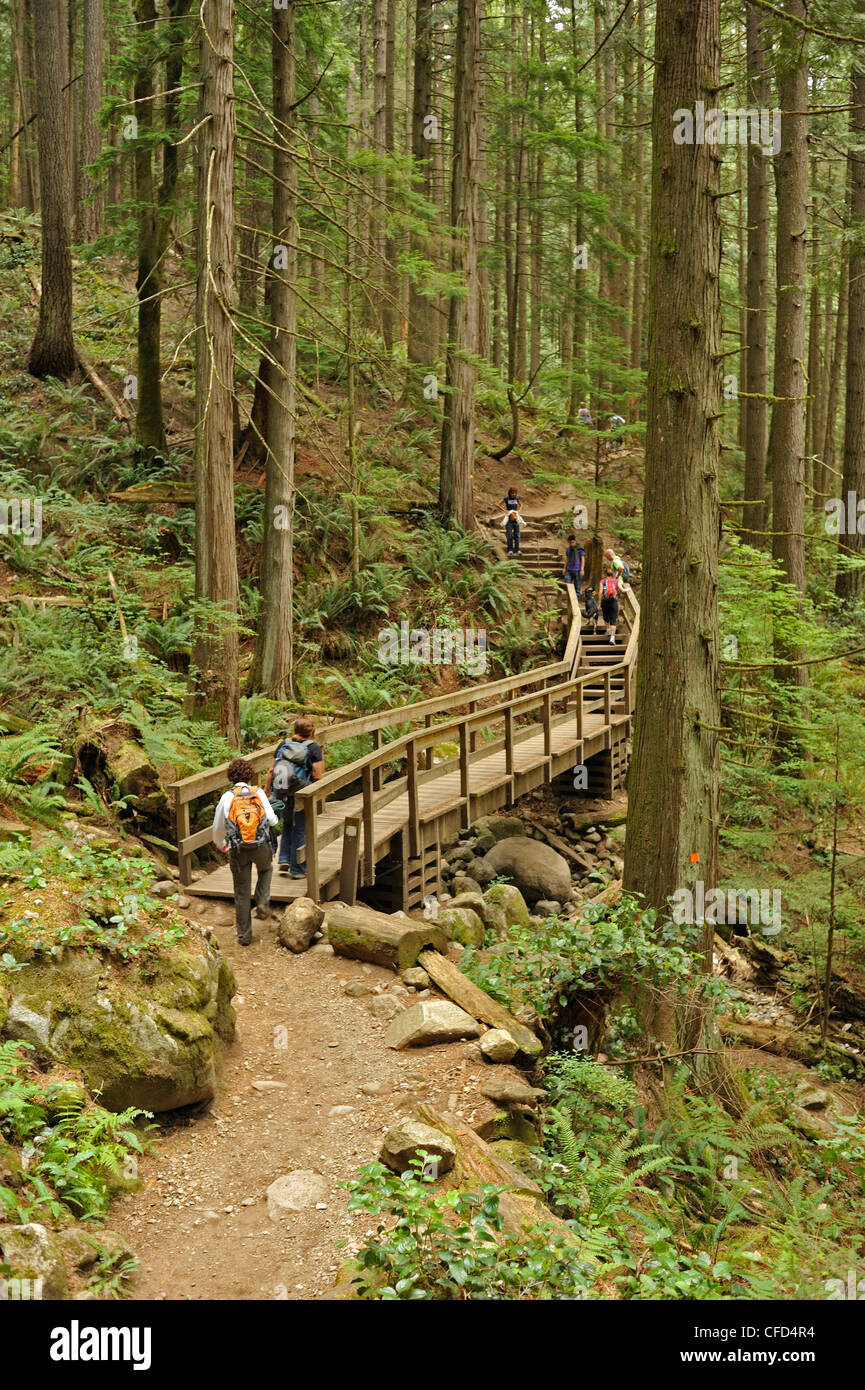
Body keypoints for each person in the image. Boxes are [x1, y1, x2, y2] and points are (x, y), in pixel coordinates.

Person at [212, 758, 279, 946]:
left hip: (238, 848)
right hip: (261, 846)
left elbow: (217, 828)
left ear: (231, 777)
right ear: (249, 775)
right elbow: (273, 821)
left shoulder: (227, 797)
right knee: (266, 869)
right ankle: (262, 902)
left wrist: (221, 844)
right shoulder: (258, 793)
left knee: (241, 892)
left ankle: (244, 936)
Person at [265, 717, 324, 879]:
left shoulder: (283, 743)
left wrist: (267, 789)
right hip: (300, 792)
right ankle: (298, 868)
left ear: (295, 730)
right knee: (300, 827)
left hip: (281, 789)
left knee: (287, 824)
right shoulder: (313, 747)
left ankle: (284, 860)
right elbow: (318, 776)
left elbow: (271, 770)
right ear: (312, 731)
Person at [599, 567, 620, 645]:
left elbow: (601, 592)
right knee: (613, 621)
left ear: (605, 574)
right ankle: (612, 638)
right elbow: (621, 589)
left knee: (605, 616)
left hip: (605, 602)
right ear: (612, 574)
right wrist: (625, 590)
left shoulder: (603, 581)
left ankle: (607, 630)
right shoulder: (616, 581)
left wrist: (599, 603)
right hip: (614, 602)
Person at [500, 487, 522, 555]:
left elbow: (521, 505)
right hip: (509, 518)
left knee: (517, 535)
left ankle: (517, 549)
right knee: (509, 535)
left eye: (515, 493)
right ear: (509, 493)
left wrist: (519, 511)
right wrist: (505, 511)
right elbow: (498, 504)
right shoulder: (506, 498)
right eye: (512, 493)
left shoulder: (517, 498)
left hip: (516, 517)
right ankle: (510, 550)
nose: (514, 494)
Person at [563, 534, 585, 598]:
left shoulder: (580, 549)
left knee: (577, 588)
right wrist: (564, 568)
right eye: (570, 543)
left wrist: (582, 569)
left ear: (575, 541)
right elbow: (567, 559)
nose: (571, 544)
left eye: (572, 542)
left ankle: (576, 601)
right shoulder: (568, 549)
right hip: (569, 569)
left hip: (577, 570)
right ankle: (569, 599)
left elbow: (583, 559)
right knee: (567, 584)